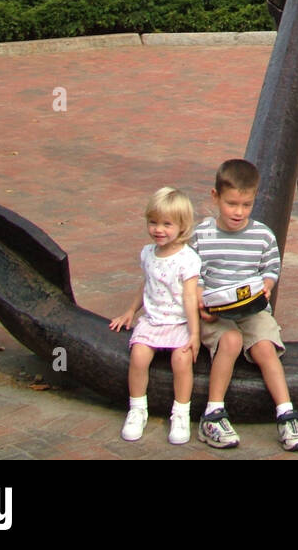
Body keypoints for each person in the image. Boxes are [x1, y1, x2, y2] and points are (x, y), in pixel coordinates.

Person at [191, 158, 298, 451]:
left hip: (253, 308)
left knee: (265, 347)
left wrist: (266, 287)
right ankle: (213, 413)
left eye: (246, 205)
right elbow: (194, 275)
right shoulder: (201, 236)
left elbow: (270, 269)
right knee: (230, 341)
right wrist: (199, 299)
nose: (239, 212)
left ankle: (286, 413)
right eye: (232, 204)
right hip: (216, 313)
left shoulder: (262, 236)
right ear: (215, 197)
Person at [109, 187, 201, 446]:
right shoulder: (148, 254)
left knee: (181, 361)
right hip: (152, 320)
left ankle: (181, 412)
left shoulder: (187, 259)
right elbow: (147, 285)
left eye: (167, 224)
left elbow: (190, 297)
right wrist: (130, 311)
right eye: (153, 222)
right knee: (138, 356)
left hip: (179, 322)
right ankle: (137, 408)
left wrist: (194, 334)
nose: (158, 229)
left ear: (182, 226)